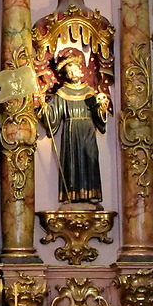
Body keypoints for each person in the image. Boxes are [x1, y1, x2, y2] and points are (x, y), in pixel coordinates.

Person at [37, 51, 110, 202]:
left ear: (80, 71)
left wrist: (101, 109)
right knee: (72, 162)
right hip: (71, 132)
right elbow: (53, 117)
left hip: (87, 130)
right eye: (69, 71)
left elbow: (98, 116)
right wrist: (44, 109)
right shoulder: (62, 93)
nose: (72, 73)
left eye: (74, 70)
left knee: (90, 158)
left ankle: (92, 193)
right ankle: (72, 194)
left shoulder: (90, 93)